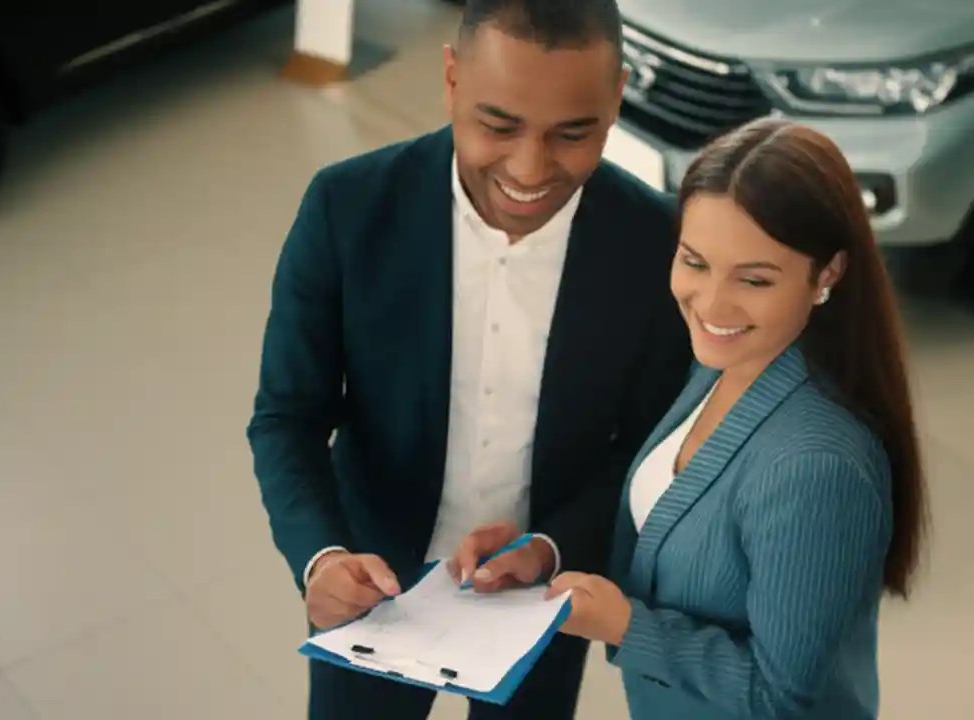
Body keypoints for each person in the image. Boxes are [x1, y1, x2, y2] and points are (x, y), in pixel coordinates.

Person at [245, 1, 691, 718]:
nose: (529, 169)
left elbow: (651, 449)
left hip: (543, 595)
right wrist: (320, 558)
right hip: (371, 583)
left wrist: (552, 547)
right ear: (451, 79)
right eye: (499, 125)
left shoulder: (659, 244)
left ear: (617, 97)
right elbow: (286, 418)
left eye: (573, 134)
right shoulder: (346, 207)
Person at [547, 117, 929, 719]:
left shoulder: (815, 467)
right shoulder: (727, 360)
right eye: (694, 262)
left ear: (827, 274)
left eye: (753, 279)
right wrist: (547, 554)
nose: (712, 303)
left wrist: (626, 626)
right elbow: (666, 511)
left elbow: (780, 699)